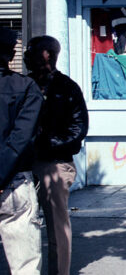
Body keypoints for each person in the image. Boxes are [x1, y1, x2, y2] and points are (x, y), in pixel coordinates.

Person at [24, 36, 89, 275]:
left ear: (48, 55)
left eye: (32, 50)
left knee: (57, 226)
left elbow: (78, 128)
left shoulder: (66, 87)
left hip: (54, 164)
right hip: (24, 164)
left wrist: (46, 144)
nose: (26, 55)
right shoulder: (25, 84)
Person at [0, 27, 44, 274]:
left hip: (11, 180)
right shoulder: (26, 87)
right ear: (10, 53)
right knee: (24, 265)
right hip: (14, 181)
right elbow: (20, 138)